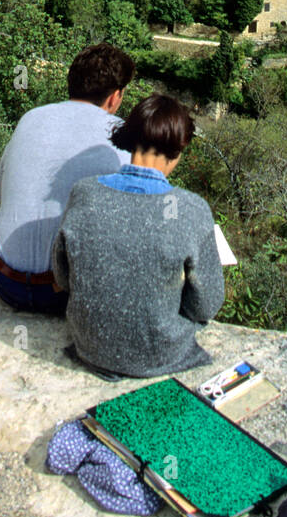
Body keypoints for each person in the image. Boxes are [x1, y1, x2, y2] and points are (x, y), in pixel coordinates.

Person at [52, 93, 225, 378]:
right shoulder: (192, 209)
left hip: (89, 348)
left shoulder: (84, 193)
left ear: (131, 138)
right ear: (179, 148)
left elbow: (62, 277)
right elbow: (205, 305)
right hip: (159, 355)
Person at [0, 43, 135, 314]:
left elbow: (1, 197)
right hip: (64, 292)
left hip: (4, 277)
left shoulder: (31, 118)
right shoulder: (123, 134)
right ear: (115, 97)